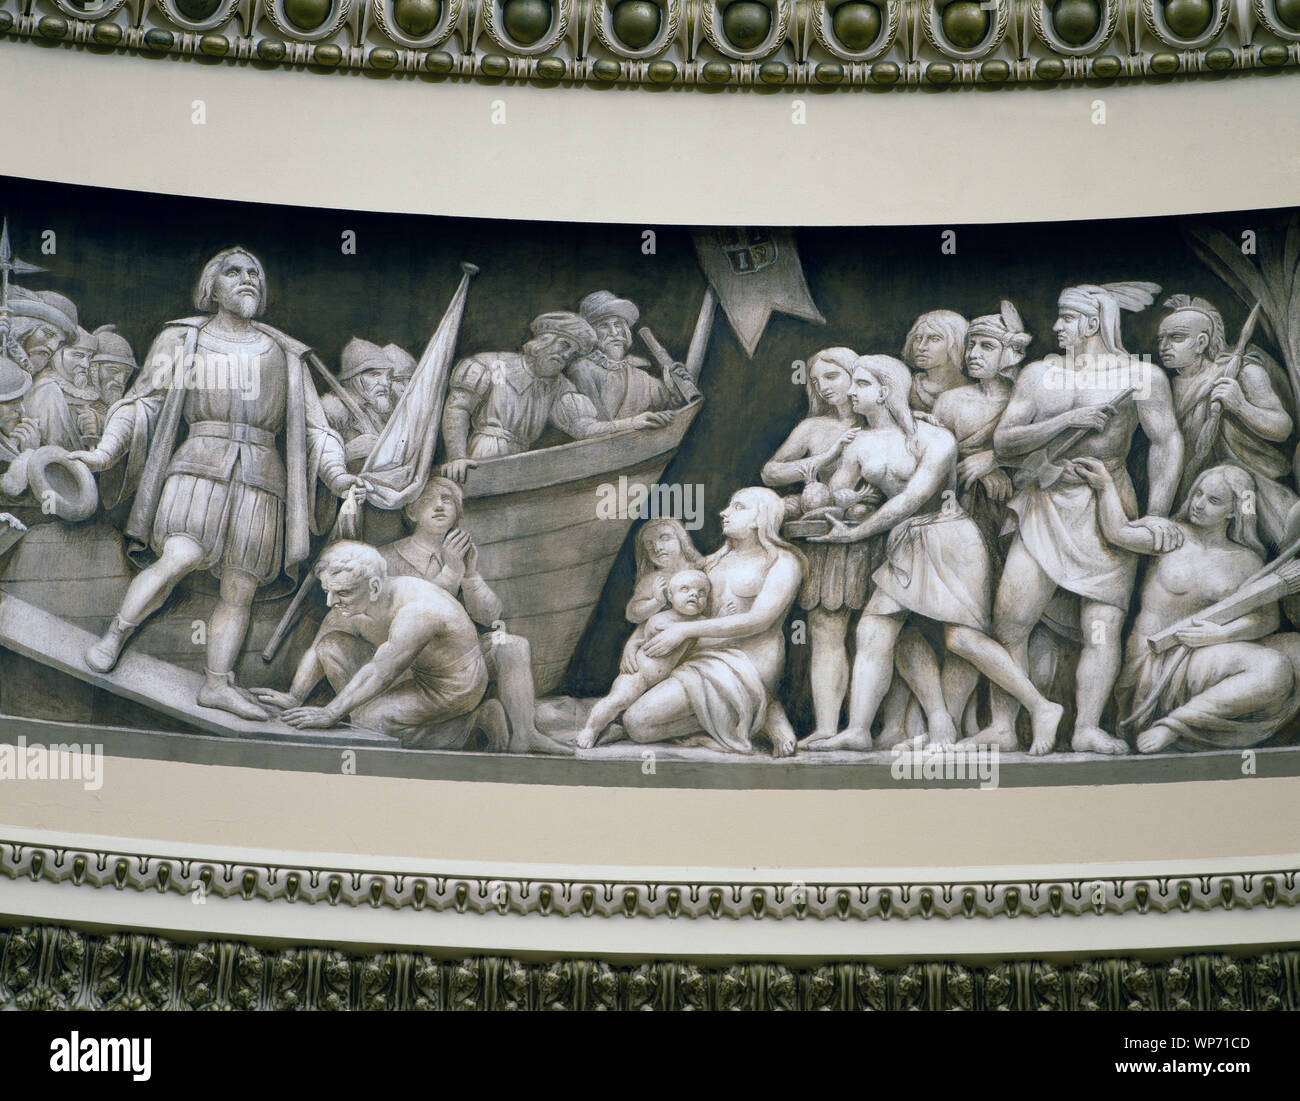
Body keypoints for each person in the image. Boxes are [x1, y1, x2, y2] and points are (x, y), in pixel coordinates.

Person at [68, 247, 366, 720]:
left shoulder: (285, 352)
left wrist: (337, 474)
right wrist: (105, 452)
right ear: (212, 287)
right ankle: (114, 638)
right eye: (234, 272)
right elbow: (144, 402)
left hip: (262, 479)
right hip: (198, 466)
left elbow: (315, 429)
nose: (247, 279)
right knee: (179, 556)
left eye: (254, 273)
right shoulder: (185, 339)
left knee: (240, 588)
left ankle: (217, 685)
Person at [804, 355, 1064, 754]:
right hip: (906, 542)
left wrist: (856, 531)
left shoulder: (932, 437)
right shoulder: (859, 442)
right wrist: (832, 496)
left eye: (861, 384)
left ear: (886, 389)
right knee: (873, 629)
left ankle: (1041, 708)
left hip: (950, 539)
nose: (851, 393)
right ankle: (858, 729)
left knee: (961, 639)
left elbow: (912, 498)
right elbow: (840, 489)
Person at [983, 282, 1184, 754]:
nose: (1055, 327)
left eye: (1066, 318)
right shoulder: (1038, 375)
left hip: (1106, 503)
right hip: (1045, 502)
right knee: (1010, 621)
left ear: (1093, 323)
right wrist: (1065, 423)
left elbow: (1166, 443)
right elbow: (1005, 442)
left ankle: (1087, 728)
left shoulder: (1141, 377)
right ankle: (1002, 726)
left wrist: (1153, 517)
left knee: (1101, 626)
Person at [1072, 457, 1300, 753]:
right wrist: (1105, 485)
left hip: (1205, 658)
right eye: (1198, 493)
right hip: (1153, 663)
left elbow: (1266, 619)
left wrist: (1220, 636)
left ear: (1233, 511)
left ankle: (1175, 725)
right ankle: (1160, 720)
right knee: (1272, 666)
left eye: (1214, 500)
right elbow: (1117, 533)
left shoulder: (1246, 559)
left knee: (1288, 657)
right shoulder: (1170, 536)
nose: (1199, 504)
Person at [378, 476, 570, 754]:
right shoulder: (387, 557)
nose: (439, 506)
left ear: (458, 512)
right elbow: (410, 615)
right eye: (427, 500)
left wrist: (470, 575)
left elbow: (490, 616)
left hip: (458, 658)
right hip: (413, 663)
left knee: (512, 645)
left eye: (447, 500)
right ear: (410, 511)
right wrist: (451, 573)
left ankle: (525, 734)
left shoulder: (461, 553)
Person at [250, 542, 503, 749]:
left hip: (452, 687)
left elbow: (381, 672)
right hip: (412, 670)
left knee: (368, 721)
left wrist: (330, 713)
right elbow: (317, 646)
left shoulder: (417, 610)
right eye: (328, 591)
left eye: (341, 593)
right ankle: (363, 709)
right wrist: (295, 697)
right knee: (329, 645)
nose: (330, 601)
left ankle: (471, 724)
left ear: (373, 587)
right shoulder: (354, 600)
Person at [618, 487, 803, 758]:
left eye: (738, 507)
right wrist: (633, 643)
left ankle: (765, 711)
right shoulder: (713, 562)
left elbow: (758, 621)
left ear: (759, 518)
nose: (724, 513)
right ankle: (749, 719)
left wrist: (685, 630)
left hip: (749, 664)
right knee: (637, 725)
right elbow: (674, 609)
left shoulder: (782, 561)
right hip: (701, 657)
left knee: (635, 721)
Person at [760, 346, 879, 740]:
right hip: (824, 538)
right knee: (827, 632)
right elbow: (771, 472)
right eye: (816, 380)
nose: (823, 387)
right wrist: (824, 456)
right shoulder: (812, 428)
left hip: (876, 536)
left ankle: (881, 729)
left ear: (854, 374)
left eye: (832, 377)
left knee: (882, 635)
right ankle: (828, 728)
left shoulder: (882, 422)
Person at [440, 311, 672, 482]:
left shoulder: (560, 386)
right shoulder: (495, 364)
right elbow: (458, 408)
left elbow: (584, 428)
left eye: (572, 353)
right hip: (479, 457)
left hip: (520, 465)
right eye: (563, 345)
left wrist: (632, 422)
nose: (565, 355)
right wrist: (457, 457)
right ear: (543, 341)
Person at [1157, 294, 1296, 548]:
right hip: (1188, 494)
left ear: (1201, 342)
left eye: (1176, 337)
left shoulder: (1243, 372)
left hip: (1246, 490)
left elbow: (1282, 427)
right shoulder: (1164, 387)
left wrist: (1240, 406)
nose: (1164, 346)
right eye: (1161, 339)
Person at [576, 569, 711, 749]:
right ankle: (591, 729)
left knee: (643, 712)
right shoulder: (661, 618)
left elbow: (711, 639)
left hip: (662, 681)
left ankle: (619, 727)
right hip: (638, 675)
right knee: (618, 700)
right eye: (685, 589)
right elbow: (650, 635)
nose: (694, 594)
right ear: (670, 596)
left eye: (702, 593)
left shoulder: (700, 623)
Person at [567, 290, 680, 419]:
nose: (614, 332)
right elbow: (596, 425)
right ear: (590, 333)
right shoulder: (581, 369)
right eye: (604, 326)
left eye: (617, 324)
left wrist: (676, 385)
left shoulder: (639, 374)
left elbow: (672, 404)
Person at [320, 337, 393, 462]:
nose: (385, 382)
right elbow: (308, 461)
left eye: (388, 376)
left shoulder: (374, 411)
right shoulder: (331, 411)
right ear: (353, 378)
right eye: (374, 374)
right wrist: (348, 452)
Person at [625, 517, 706, 624]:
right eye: (649, 543)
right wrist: (657, 602)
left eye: (665, 538)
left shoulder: (703, 569)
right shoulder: (652, 580)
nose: (657, 548)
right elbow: (632, 614)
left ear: (682, 540)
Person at [903, 309, 968, 413]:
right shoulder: (907, 387)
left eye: (934, 339)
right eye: (918, 338)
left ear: (956, 344)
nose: (921, 347)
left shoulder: (970, 388)